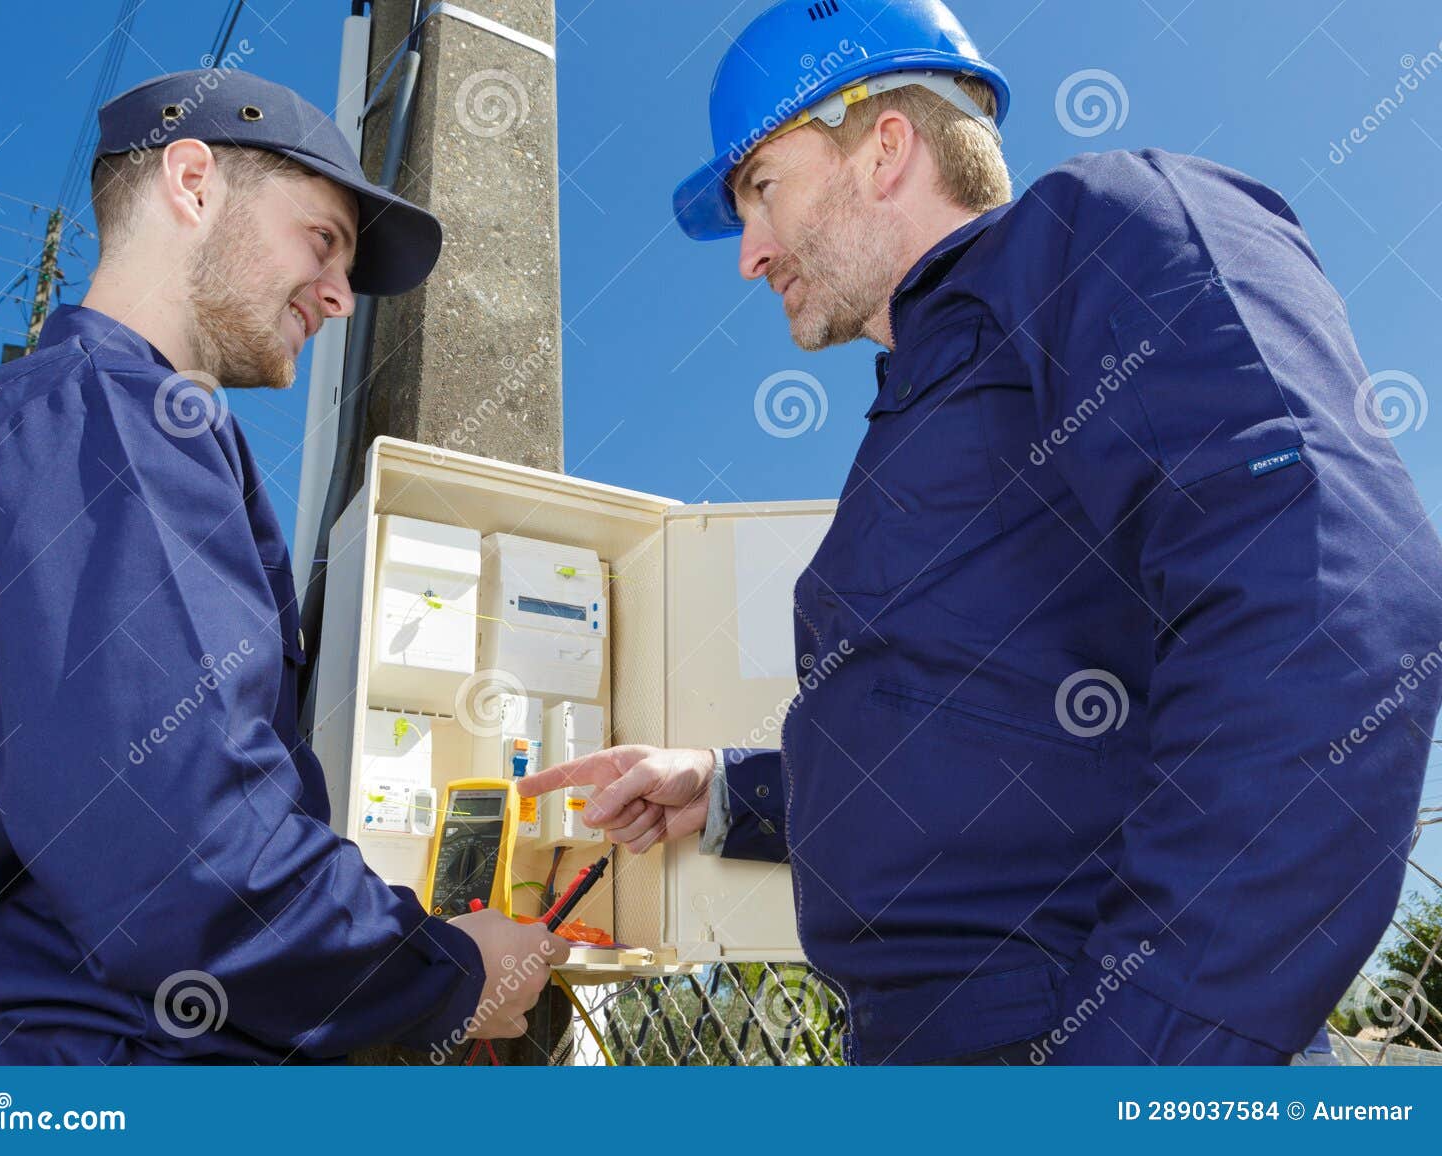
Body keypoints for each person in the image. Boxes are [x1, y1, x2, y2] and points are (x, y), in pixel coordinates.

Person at [519, 0, 1442, 1065]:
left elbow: (1334, 595)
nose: (749, 254)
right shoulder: (922, 407)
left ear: (885, 147)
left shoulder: (1099, 228)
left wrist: (1145, 1066)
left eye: (760, 192)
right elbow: (986, 737)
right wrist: (721, 787)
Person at [0, 68, 565, 1065]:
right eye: (324, 240)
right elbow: (184, 848)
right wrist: (445, 975)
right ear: (191, 182)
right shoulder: (110, 424)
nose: (339, 298)